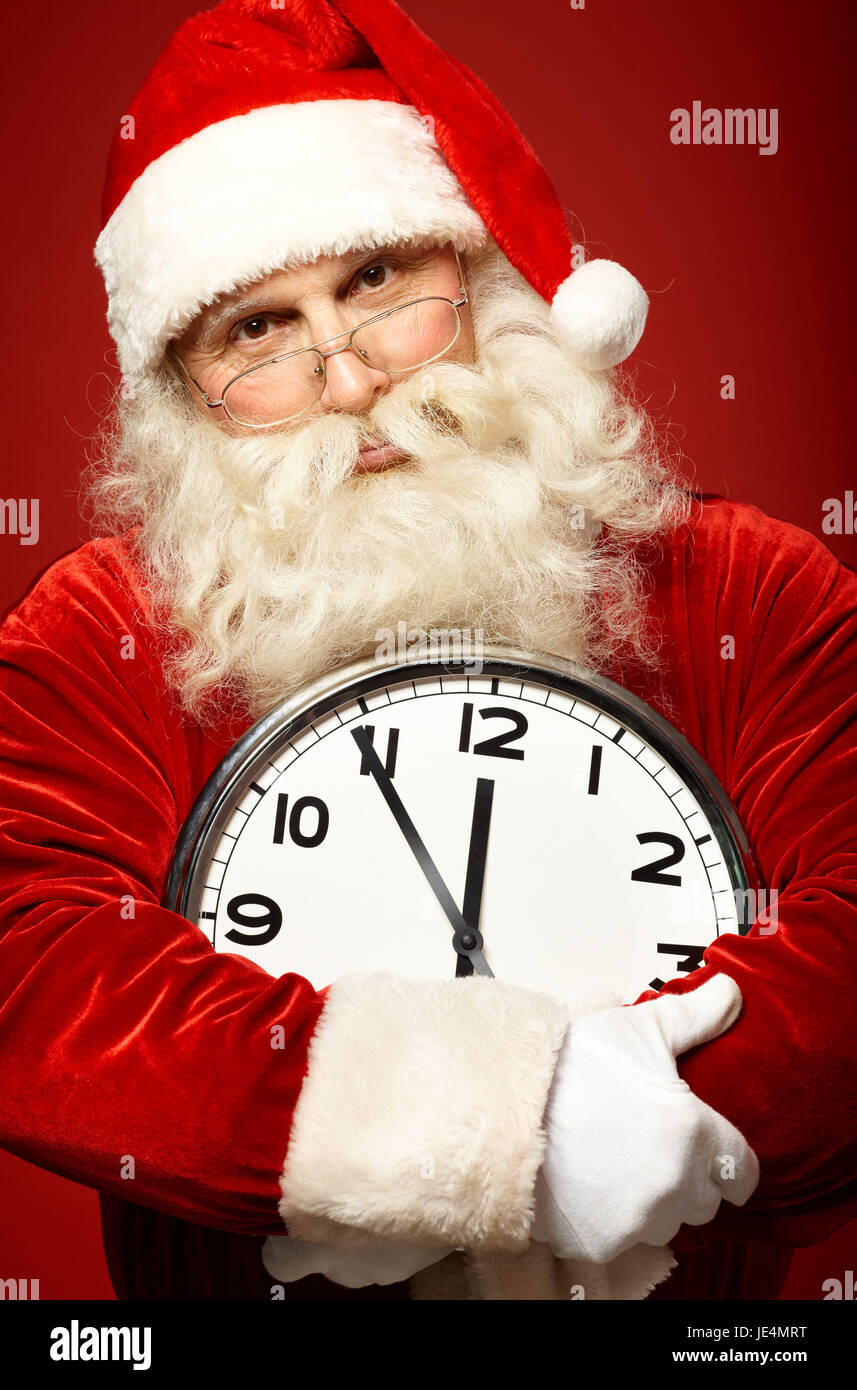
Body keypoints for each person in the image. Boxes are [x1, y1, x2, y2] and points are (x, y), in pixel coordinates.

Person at [0, 0, 854, 1302]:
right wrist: (491, 1126)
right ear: (184, 389)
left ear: (486, 277)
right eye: (256, 331)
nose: (346, 378)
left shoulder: (754, 588)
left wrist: (629, 1128)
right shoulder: (98, 631)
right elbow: (36, 963)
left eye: (378, 280)